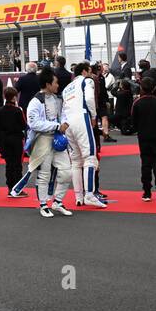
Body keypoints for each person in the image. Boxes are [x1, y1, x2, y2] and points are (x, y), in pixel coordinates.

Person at [10, 68, 74, 217]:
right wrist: (57, 126)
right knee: (44, 175)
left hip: (58, 139)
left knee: (66, 173)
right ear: (48, 84)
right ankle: (43, 204)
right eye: (56, 82)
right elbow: (34, 124)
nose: (58, 85)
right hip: (42, 140)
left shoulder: (58, 99)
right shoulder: (35, 101)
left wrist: (63, 123)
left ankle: (57, 202)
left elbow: (63, 115)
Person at [62, 62, 106, 208]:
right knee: (90, 157)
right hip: (81, 118)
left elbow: (63, 109)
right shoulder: (87, 80)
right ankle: (89, 195)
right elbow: (89, 99)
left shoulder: (67, 88)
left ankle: (78, 196)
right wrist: (93, 116)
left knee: (75, 161)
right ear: (85, 71)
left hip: (68, 122)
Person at [133, 75, 156, 201]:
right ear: (154, 88)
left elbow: (133, 121)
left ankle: (147, 192)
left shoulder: (137, 103)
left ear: (141, 88)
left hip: (143, 136)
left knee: (145, 163)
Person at [0, 87, 27, 193]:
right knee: (17, 164)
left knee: (9, 164)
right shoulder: (18, 111)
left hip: (5, 140)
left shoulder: (0, 110)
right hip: (16, 139)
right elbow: (24, 125)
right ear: (14, 98)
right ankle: (17, 187)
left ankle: (10, 186)